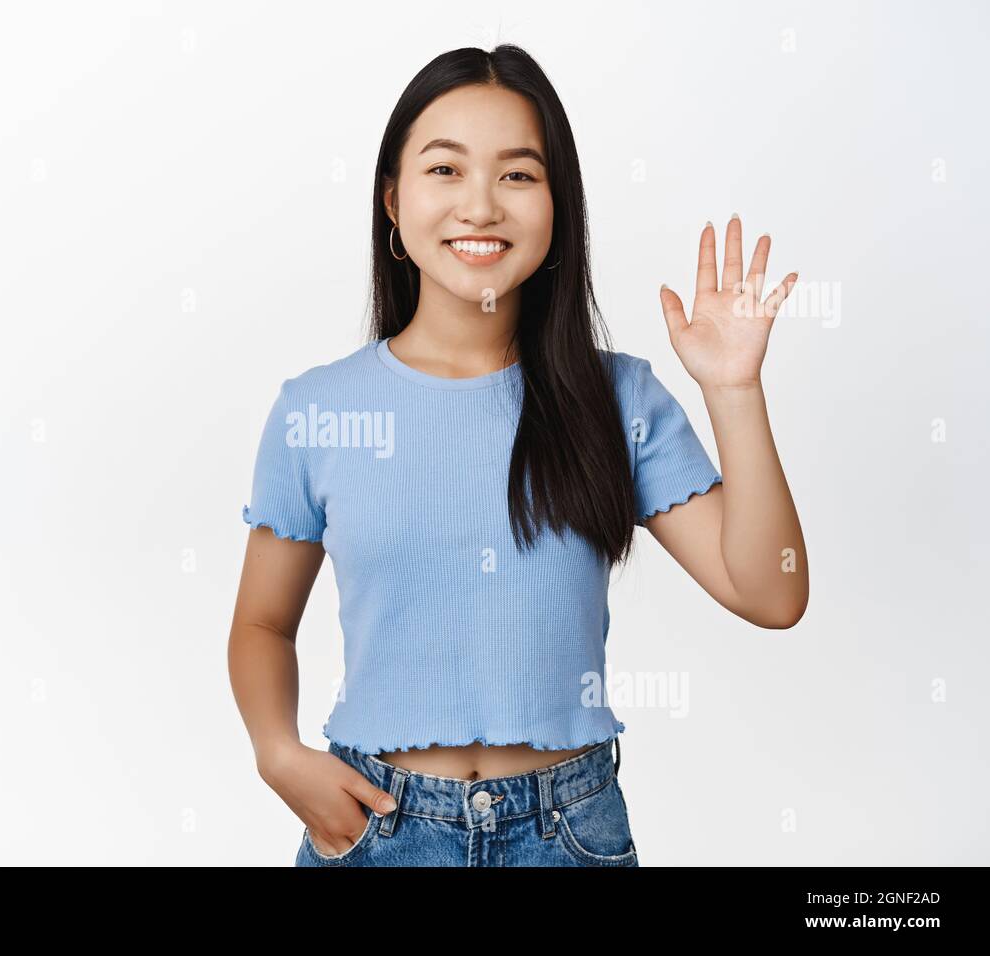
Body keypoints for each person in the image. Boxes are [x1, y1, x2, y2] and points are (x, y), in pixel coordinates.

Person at [227, 44, 807, 867]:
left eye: (518, 176)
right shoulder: (318, 412)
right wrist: (279, 754)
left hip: (566, 833)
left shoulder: (617, 399)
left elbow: (771, 592)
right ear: (393, 202)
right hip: (374, 828)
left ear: (559, 206)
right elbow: (260, 623)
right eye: (444, 170)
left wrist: (734, 391)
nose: (480, 206)